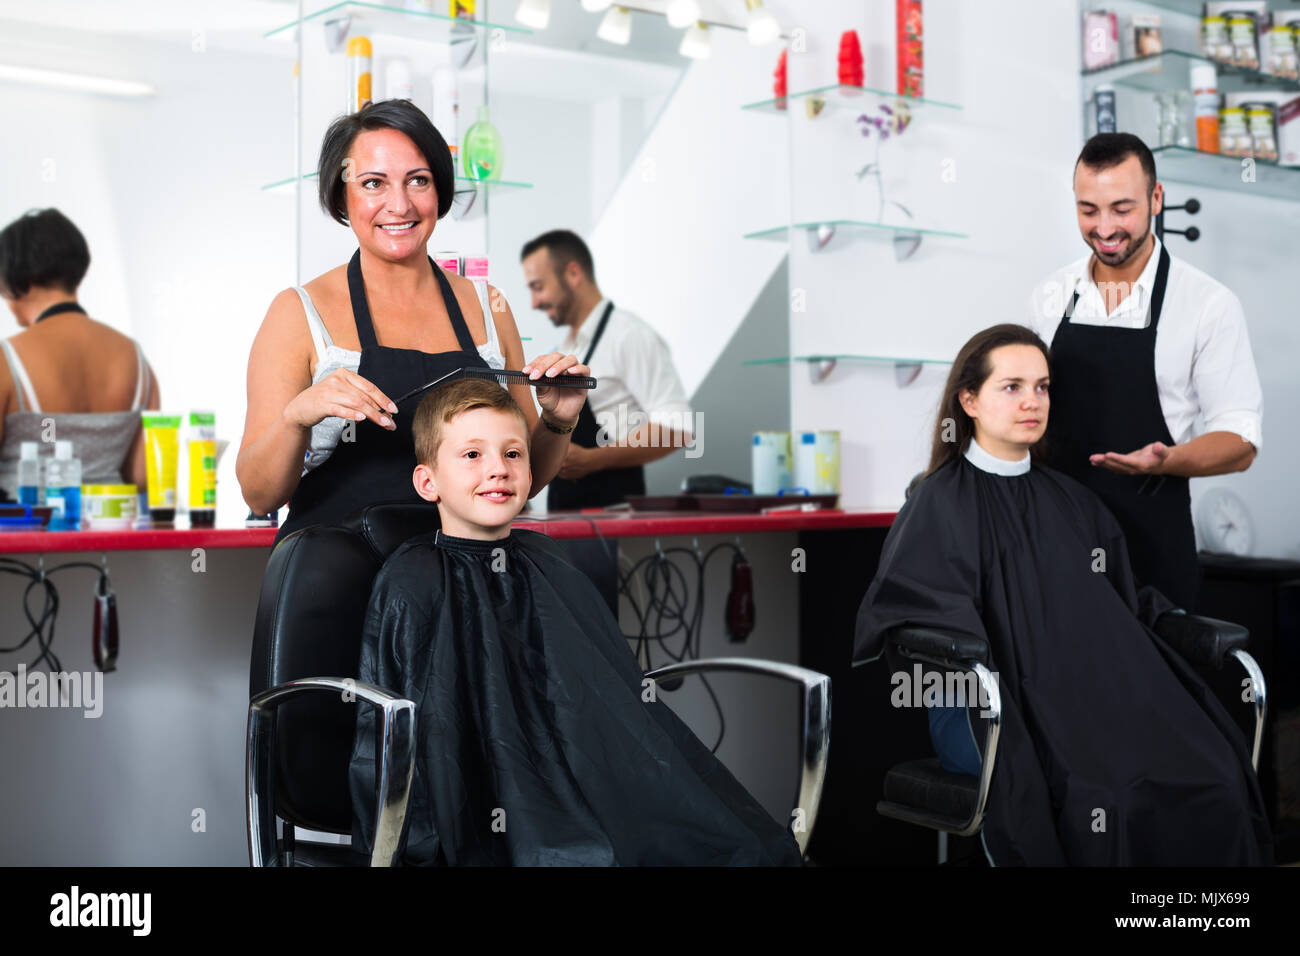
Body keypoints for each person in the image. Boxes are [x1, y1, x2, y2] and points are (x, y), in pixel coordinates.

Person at [854, 324, 1271, 866]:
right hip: (991, 705)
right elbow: (913, 617)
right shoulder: (938, 503)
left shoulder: (1073, 502)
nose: (1032, 401)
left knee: (1211, 771)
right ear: (969, 399)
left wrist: (1169, 627)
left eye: (1043, 387)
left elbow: (1125, 596)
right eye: (1012, 387)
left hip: (1090, 697)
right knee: (1104, 795)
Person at [348, 377, 801, 865]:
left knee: (735, 844)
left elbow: (605, 698)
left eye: (514, 454)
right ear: (427, 482)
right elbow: (430, 736)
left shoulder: (546, 558)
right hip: (490, 806)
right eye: (472, 455)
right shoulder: (413, 579)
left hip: (579, 785)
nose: (498, 470)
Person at [236, 100, 587, 544]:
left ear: (439, 191)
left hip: (459, 579)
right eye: (373, 184)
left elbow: (522, 481)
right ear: (341, 193)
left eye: (417, 180)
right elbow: (259, 494)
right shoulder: (298, 312)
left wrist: (558, 420)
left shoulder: (488, 306)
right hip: (336, 584)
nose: (398, 205)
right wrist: (296, 419)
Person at [1027, 133, 1262, 611]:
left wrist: (1167, 461)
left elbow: (1240, 442)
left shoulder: (1207, 305)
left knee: (1157, 683)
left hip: (1152, 557)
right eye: (1088, 210)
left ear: (1157, 198)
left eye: (1122, 208)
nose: (1105, 227)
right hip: (1056, 549)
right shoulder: (1050, 297)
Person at [520, 230, 693, 509]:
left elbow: (677, 428)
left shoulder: (629, 336)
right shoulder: (567, 346)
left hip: (613, 517)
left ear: (573, 274)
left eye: (538, 287)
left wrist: (591, 460)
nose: (534, 303)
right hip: (564, 514)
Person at [0, 209, 160, 497]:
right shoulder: (135, 359)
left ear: (14, 279)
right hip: (115, 534)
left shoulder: (7, 358)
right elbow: (142, 477)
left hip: (24, 536)